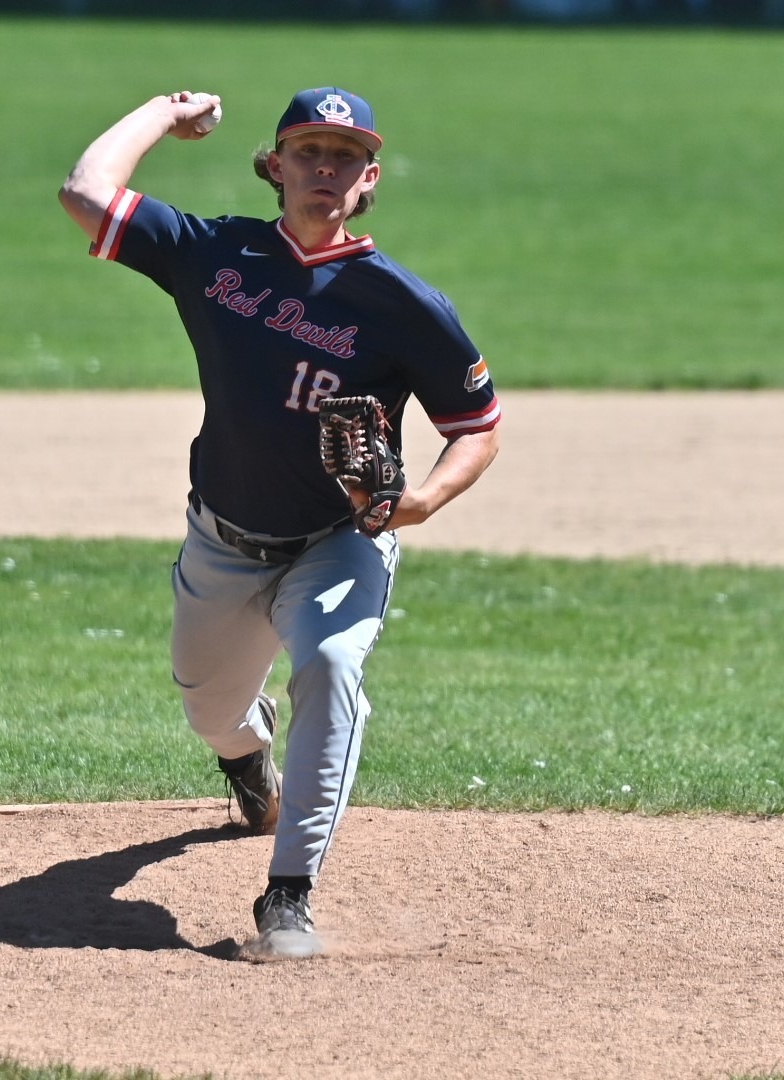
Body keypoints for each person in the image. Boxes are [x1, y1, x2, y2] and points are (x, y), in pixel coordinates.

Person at [57, 86, 502, 960]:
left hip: (340, 542)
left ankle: (288, 896)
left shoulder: (404, 304)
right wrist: (162, 110)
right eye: (309, 150)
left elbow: (477, 429)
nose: (325, 168)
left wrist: (423, 501)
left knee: (332, 666)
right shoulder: (215, 255)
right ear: (275, 166)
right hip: (222, 540)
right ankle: (245, 759)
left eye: (345, 156)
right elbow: (86, 194)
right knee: (211, 711)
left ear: (369, 179)